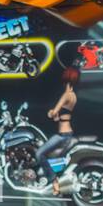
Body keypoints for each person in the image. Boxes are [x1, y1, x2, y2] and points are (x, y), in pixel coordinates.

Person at [35, 64, 81, 196]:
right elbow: (61, 116)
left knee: (39, 154)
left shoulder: (66, 95)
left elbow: (54, 112)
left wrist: (51, 112)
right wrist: (55, 116)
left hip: (63, 135)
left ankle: (54, 182)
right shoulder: (73, 96)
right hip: (66, 132)